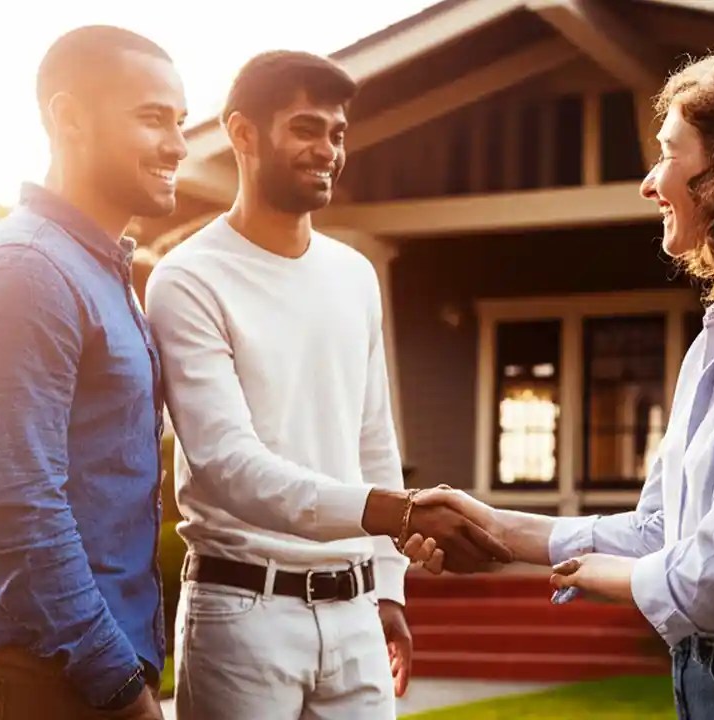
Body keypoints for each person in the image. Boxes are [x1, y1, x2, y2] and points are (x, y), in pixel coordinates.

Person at [404, 45, 714, 718]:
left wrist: (600, 575)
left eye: (671, 153)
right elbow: (662, 533)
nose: (649, 183)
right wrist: (496, 529)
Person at [144, 51, 510, 720]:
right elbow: (229, 467)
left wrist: (390, 585)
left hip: (356, 617)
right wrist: (398, 514)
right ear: (243, 135)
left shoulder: (354, 274)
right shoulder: (189, 280)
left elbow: (374, 438)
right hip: (243, 618)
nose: (329, 150)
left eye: (338, 133)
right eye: (307, 129)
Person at [0, 25, 187, 720]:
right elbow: (13, 512)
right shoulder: (25, 270)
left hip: (83, 668)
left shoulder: (98, 271)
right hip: (41, 673)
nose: (178, 145)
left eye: (181, 122)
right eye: (153, 118)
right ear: (69, 118)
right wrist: (120, 690)